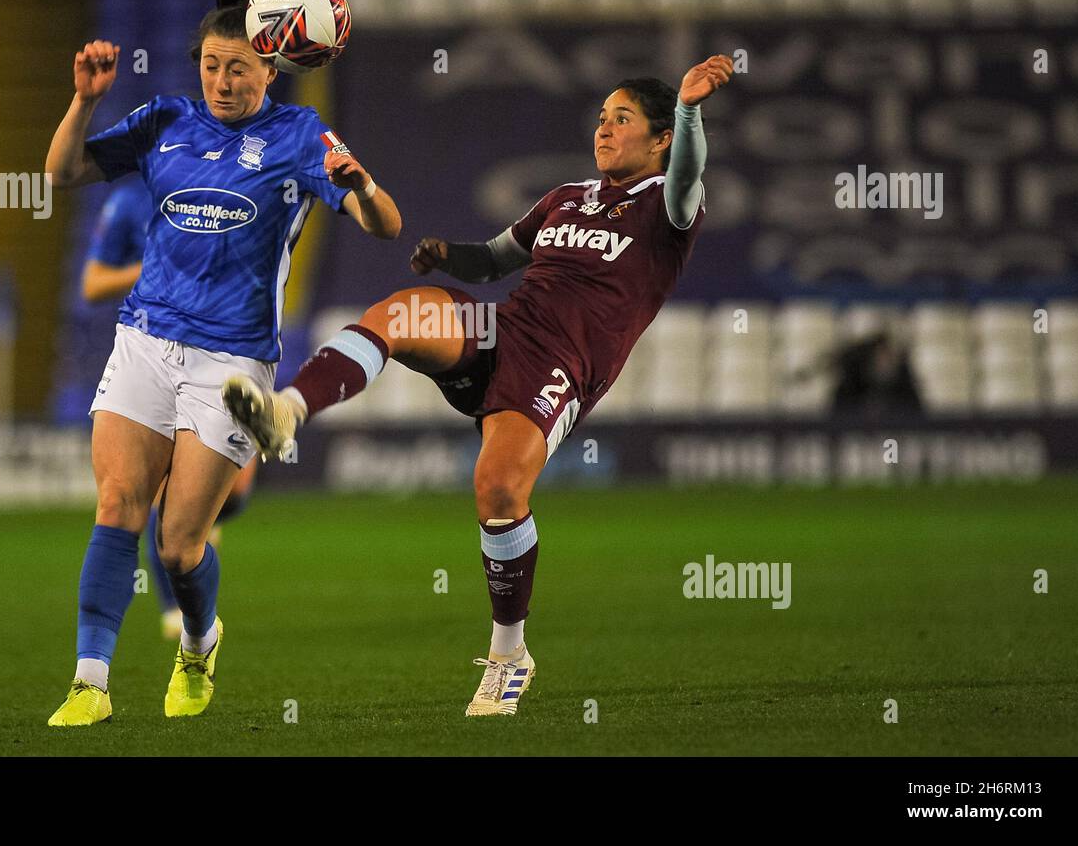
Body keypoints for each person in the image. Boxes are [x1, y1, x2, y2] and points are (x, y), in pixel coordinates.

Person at [225, 55, 732, 716]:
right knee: (403, 310)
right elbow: (496, 260)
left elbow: (690, 170)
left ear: (661, 138)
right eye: (603, 117)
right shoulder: (566, 197)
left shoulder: (668, 206)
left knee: (496, 490)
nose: (604, 129)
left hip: (560, 365)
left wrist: (690, 108)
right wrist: (448, 255)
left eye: (623, 119)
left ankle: (508, 652)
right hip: (504, 329)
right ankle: (288, 410)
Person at [44, 0, 402, 726]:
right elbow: (63, 173)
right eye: (211, 64)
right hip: (145, 340)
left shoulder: (302, 136)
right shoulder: (165, 120)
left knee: (178, 547)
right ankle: (89, 683)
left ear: (270, 67)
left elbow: (386, 226)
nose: (223, 80)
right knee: (116, 505)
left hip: (232, 362)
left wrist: (361, 185)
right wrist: (84, 102)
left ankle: (199, 644)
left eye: (238, 67)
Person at [80, 178, 261, 641]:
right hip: (153, 352)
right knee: (147, 499)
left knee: (231, 497)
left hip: (224, 355)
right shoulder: (126, 202)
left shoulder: (226, 197)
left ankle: (195, 550)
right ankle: (176, 615)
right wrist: (153, 270)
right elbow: (92, 283)